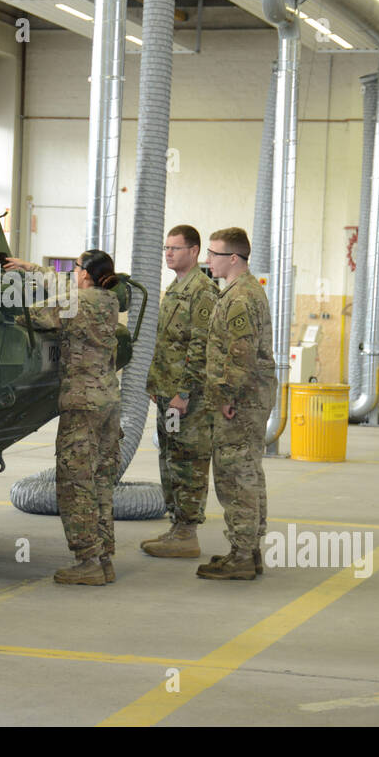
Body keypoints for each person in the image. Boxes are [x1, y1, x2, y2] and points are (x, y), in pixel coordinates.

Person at [4, 251, 121, 585]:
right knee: (100, 481)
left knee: (75, 482)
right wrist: (29, 268)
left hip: (82, 404)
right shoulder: (110, 301)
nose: (73, 274)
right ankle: (104, 558)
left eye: (76, 269)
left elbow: (33, 316)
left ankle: (87, 561)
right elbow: (65, 290)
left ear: (84, 275)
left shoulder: (75, 303)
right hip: (109, 401)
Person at [197, 227, 276, 580]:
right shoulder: (241, 292)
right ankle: (249, 549)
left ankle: (242, 554)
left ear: (233, 258)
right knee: (248, 469)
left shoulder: (240, 297)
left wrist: (227, 395)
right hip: (249, 396)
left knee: (235, 473)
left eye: (213, 254)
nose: (207, 261)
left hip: (241, 399)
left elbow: (240, 353)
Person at [142, 225, 218, 558]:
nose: (169, 253)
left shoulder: (202, 290)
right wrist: (156, 384)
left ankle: (187, 531)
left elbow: (200, 347)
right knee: (170, 456)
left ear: (194, 251)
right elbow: (167, 343)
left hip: (186, 399)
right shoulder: (175, 287)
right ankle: (177, 526)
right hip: (168, 395)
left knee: (188, 459)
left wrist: (184, 393)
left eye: (175, 248)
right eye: (166, 248)